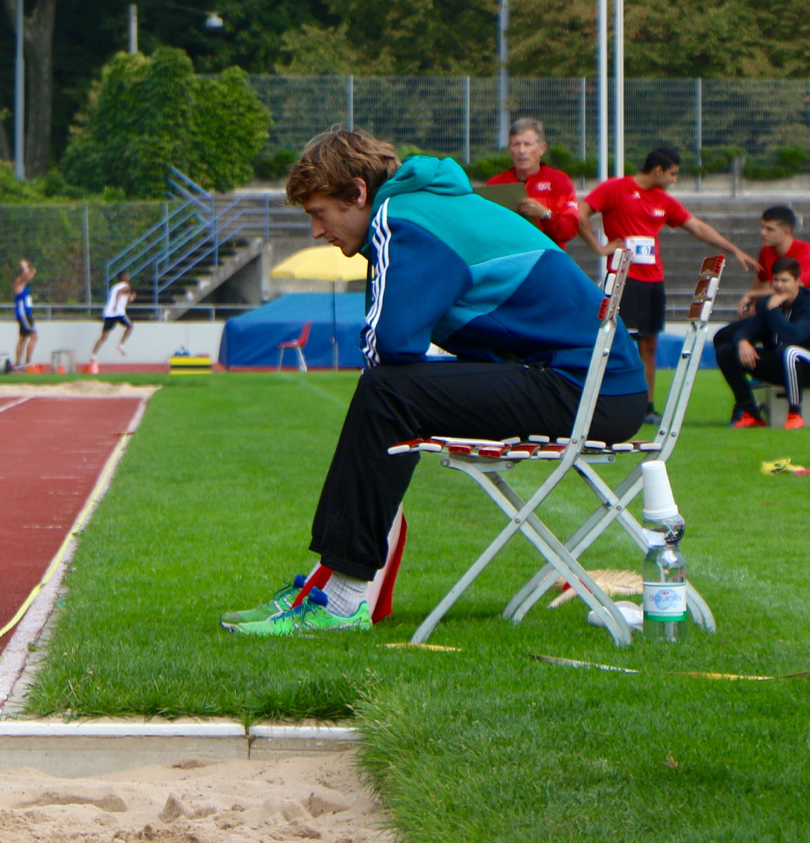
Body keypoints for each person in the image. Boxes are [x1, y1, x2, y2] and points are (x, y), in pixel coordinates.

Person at [226, 130, 649, 637]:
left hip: (588, 391)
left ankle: (338, 601)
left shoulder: (401, 218)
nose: (317, 231)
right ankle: (328, 588)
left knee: (386, 392)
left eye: (320, 213)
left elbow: (391, 345)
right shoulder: (422, 208)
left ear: (359, 193)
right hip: (592, 386)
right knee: (389, 393)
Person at [583, 147, 756, 418]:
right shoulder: (615, 188)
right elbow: (581, 212)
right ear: (658, 171)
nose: (675, 180)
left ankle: (647, 407)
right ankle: (612, 402)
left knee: (650, 343)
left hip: (654, 280)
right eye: (673, 174)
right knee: (620, 342)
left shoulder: (663, 200)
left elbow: (697, 226)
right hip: (625, 279)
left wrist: (733, 249)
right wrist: (599, 247)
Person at [719, 258, 810, 429]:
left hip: (805, 366)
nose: (779, 285)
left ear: (798, 281)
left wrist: (774, 310)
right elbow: (747, 330)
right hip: (781, 364)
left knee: (789, 351)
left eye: (785, 280)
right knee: (726, 352)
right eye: (776, 280)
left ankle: (795, 415)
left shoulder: (806, 304)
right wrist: (743, 342)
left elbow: (794, 336)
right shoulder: (769, 303)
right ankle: (750, 413)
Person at [483, 118, 582, 247]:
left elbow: (569, 230)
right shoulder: (495, 184)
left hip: (547, 260)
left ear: (542, 148)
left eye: (527, 144)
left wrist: (545, 215)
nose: (521, 151)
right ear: (509, 148)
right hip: (510, 261)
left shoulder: (559, 182)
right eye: (516, 144)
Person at [736, 205, 810, 317]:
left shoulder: (806, 252)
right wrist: (754, 304)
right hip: (780, 310)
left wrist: (753, 295)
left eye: (769, 229)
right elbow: (761, 279)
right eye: (762, 227)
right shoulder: (765, 252)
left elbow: (794, 289)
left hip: (802, 314)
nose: (763, 233)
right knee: (728, 334)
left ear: (786, 232)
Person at [91, 273, 135, 359]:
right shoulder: (126, 286)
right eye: (127, 276)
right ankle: (121, 344)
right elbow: (120, 293)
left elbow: (126, 298)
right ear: (123, 278)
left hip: (108, 313)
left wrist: (131, 297)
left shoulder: (114, 287)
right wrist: (116, 305)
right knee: (130, 327)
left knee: (104, 336)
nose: (128, 277)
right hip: (118, 312)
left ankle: (93, 355)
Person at [12, 260, 38, 368]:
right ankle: (28, 361)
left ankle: (18, 363)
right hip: (24, 314)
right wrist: (25, 267)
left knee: (22, 338)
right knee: (34, 336)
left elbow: (31, 274)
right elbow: (26, 276)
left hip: (25, 313)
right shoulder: (18, 282)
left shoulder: (23, 283)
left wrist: (30, 268)